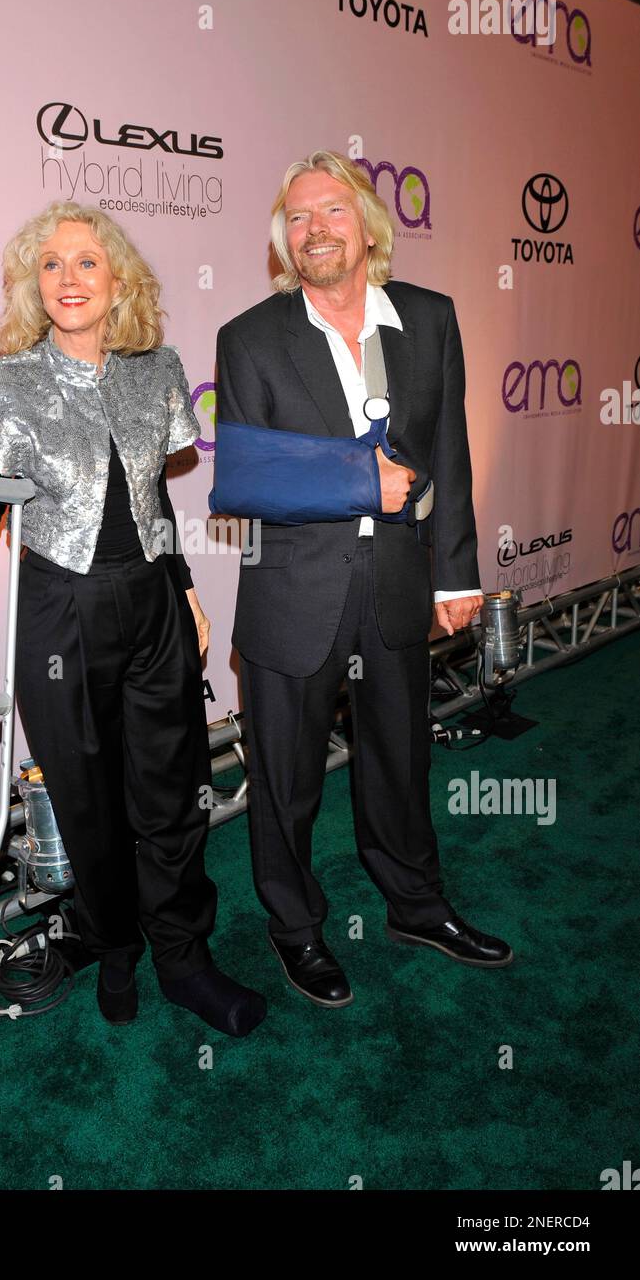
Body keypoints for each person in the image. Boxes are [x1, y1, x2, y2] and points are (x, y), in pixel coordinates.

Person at [0, 200, 266, 1038]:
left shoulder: (155, 368)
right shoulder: (1, 383)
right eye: (51, 264)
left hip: (152, 599)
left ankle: (183, 956)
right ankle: (113, 944)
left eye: (87, 261)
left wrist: (184, 584)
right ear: (32, 284)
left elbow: (152, 491)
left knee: (170, 793)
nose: (69, 278)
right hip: (59, 610)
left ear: (116, 277)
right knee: (86, 802)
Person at [214, 150, 512, 1009]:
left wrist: (455, 575)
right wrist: (356, 484)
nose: (315, 229)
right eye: (297, 219)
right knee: (285, 776)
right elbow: (240, 478)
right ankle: (296, 928)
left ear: (367, 226)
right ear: (283, 241)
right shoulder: (251, 337)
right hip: (290, 594)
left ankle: (416, 906)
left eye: (331, 211)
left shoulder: (428, 317)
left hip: (395, 582)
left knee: (400, 758)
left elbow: (447, 454)